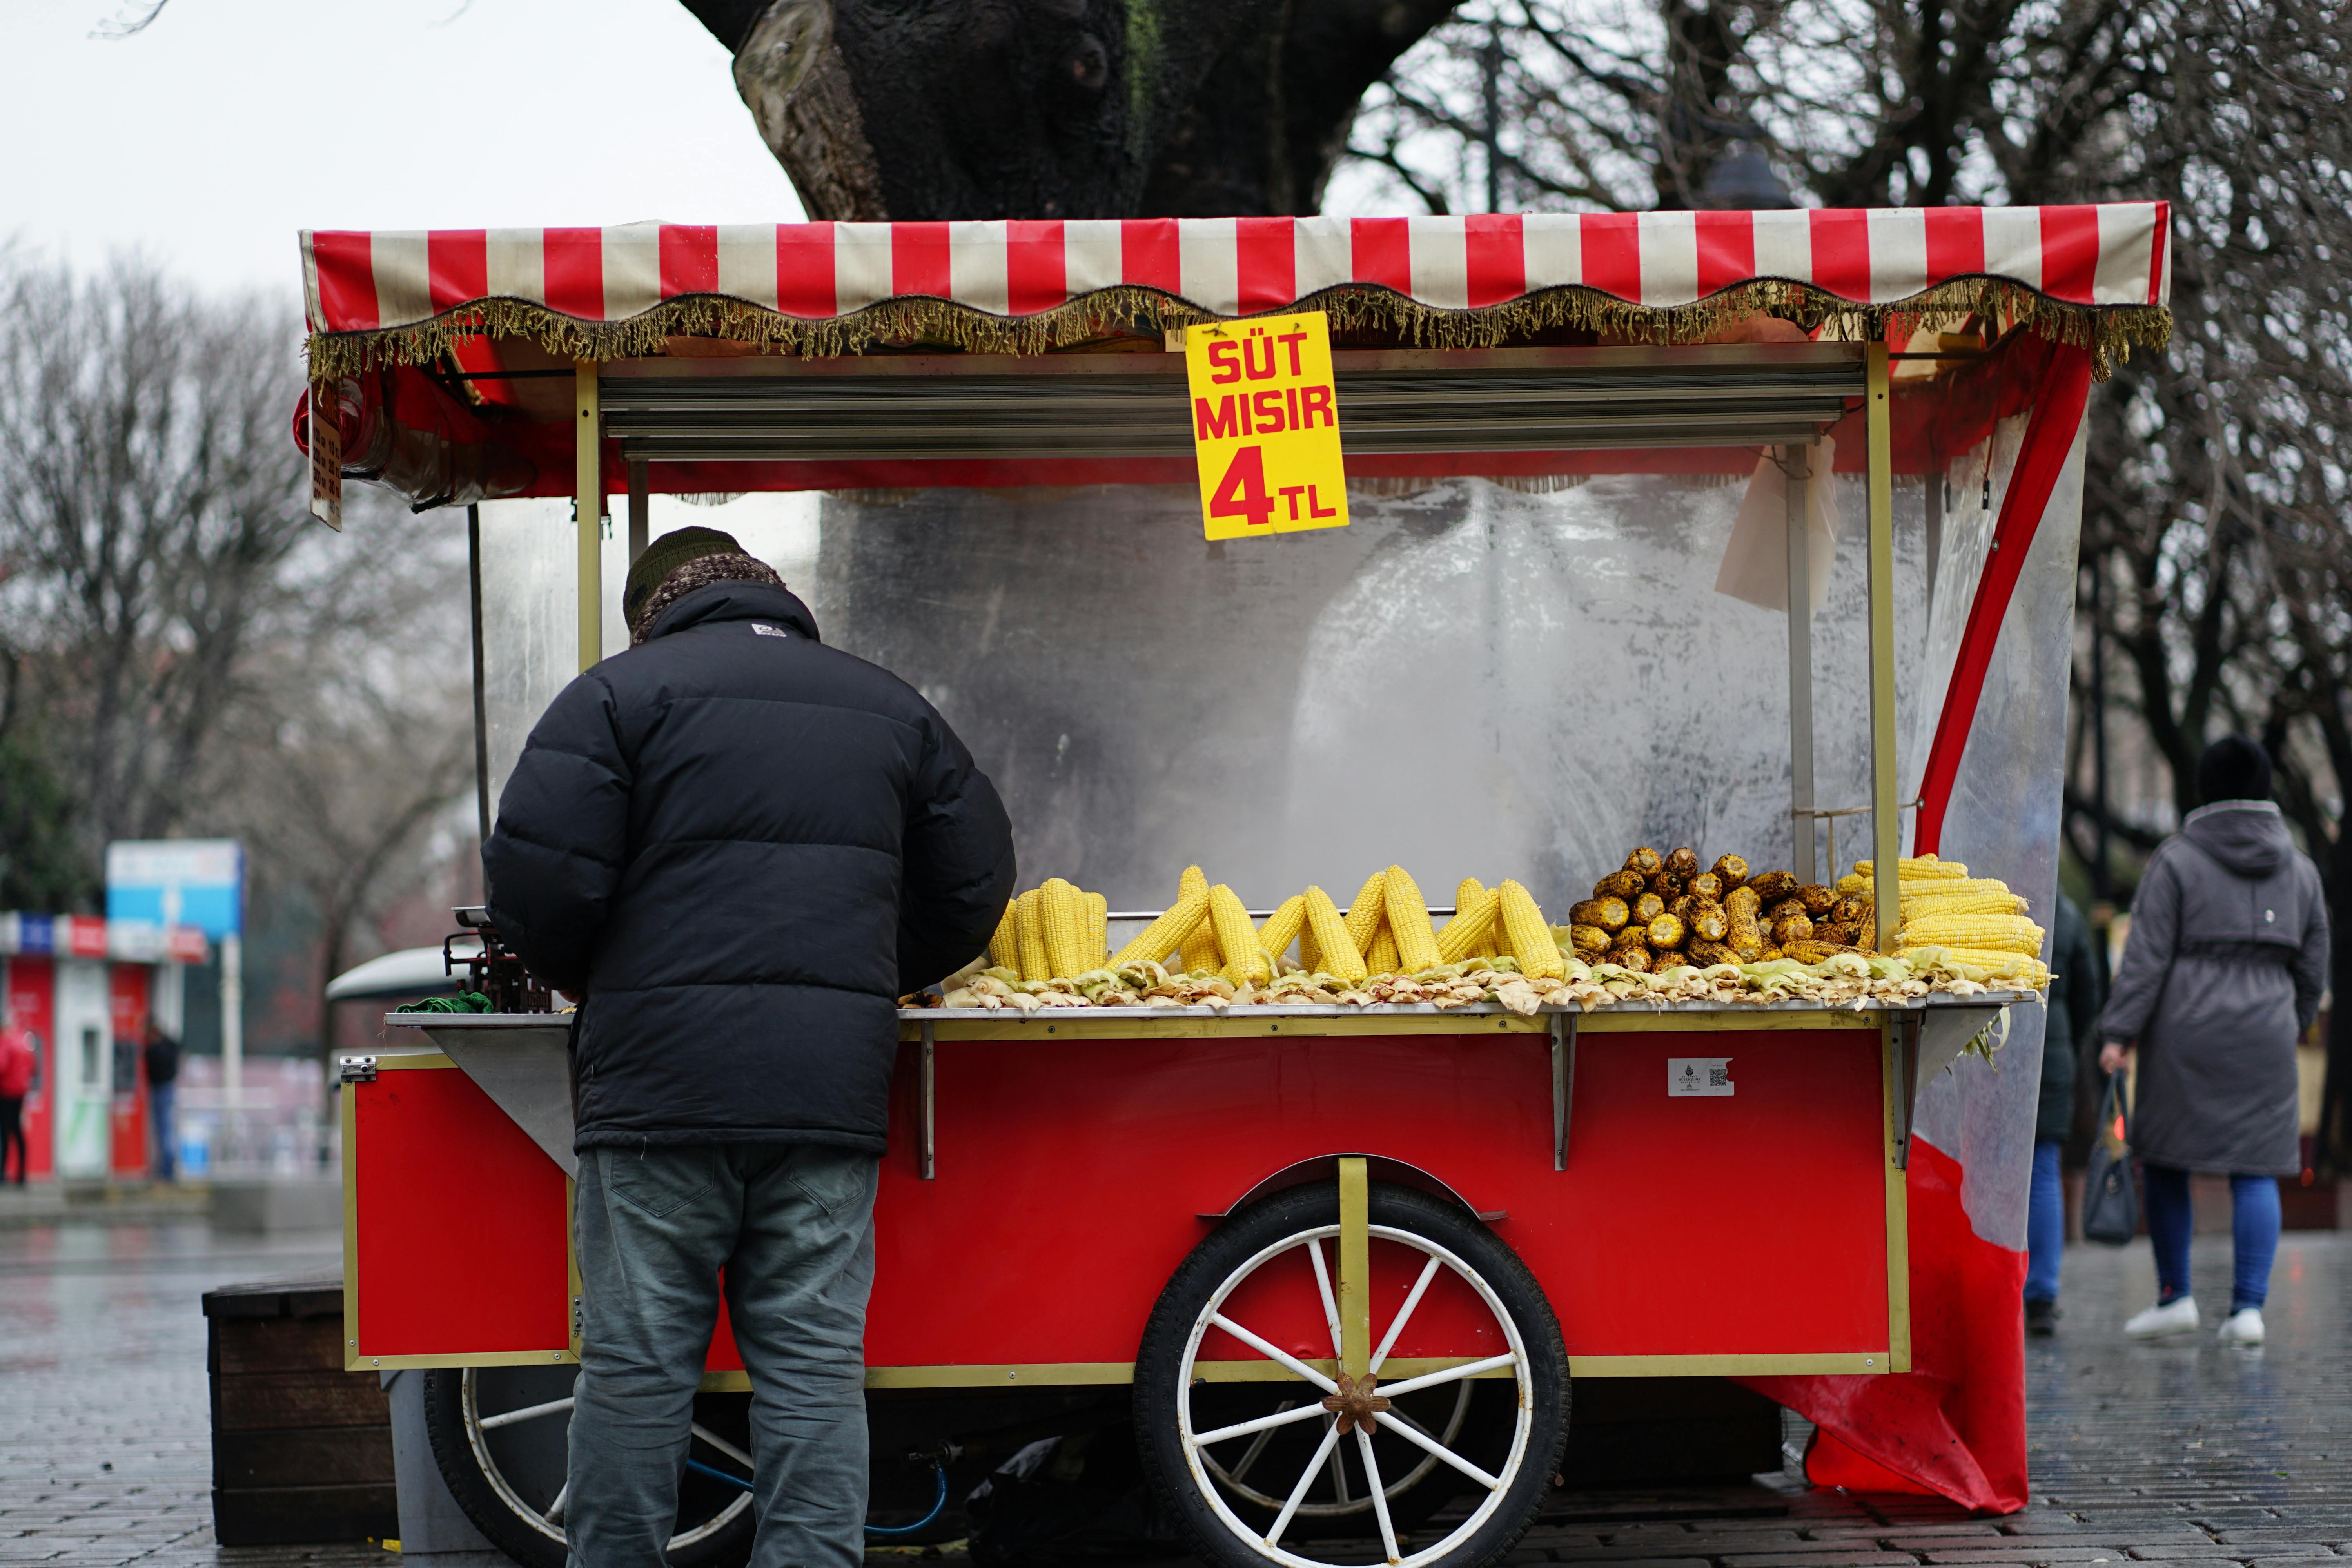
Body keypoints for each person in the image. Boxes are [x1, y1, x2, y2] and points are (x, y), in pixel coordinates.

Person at [484, 526, 1015, 1568]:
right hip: (827, 1096)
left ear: (656, 615)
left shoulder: (614, 701)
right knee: (815, 1369)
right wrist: (862, 974)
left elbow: (536, 889)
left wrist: (604, 980)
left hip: (654, 1099)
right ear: (774, 595)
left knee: (636, 1372)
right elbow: (972, 892)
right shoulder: (888, 707)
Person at [2096, 735, 2327, 1345]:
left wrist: (2120, 1032)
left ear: (2205, 789)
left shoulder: (2176, 861)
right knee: (2257, 1169)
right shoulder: (2300, 868)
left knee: (2167, 1159)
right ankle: (2248, 1309)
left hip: (2185, 1030)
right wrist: (2291, 1019)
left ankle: (2176, 1296)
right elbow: (2314, 963)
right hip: (2268, 1033)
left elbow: (2145, 958)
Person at [2025, 893, 2103, 1336]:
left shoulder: (1991, 895)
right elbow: (2090, 998)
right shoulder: (2068, 912)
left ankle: (1997, 1286)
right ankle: (2042, 1295)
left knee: (1994, 1170)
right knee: (2044, 1170)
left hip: (1999, 1045)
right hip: (2055, 1055)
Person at [143, 1018, 181, 1183]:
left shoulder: (156, 1050)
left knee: (163, 1130)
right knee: (167, 1130)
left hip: (161, 1090)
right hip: (169, 1089)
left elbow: (152, 1071)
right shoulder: (171, 1046)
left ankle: (167, 1170)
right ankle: (167, 1169)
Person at [0, 1022, 34, 1185]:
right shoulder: (23, 1040)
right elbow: (33, 1067)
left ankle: (2, 1174)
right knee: (17, 1131)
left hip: (6, 1093)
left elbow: (2, 1065)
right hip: (20, 1092)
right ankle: (21, 1175)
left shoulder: (5, 1041)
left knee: (5, 1133)